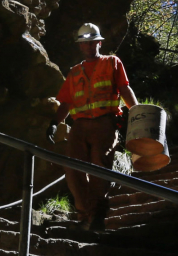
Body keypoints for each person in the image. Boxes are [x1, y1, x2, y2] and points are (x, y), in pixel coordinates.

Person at [54, 22, 138, 230]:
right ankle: (83, 216)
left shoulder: (112, 62)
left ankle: (97, 214)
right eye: (85, 44)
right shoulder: (74, 72)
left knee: (100, 166)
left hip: (104, 123)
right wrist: (54, 123)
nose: (90, 47)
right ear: (80, 46)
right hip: (80, 126)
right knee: (73, 168)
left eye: (93, 43)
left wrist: (137, 113)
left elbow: (124, 89)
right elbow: (66, 102)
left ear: (99, 43)